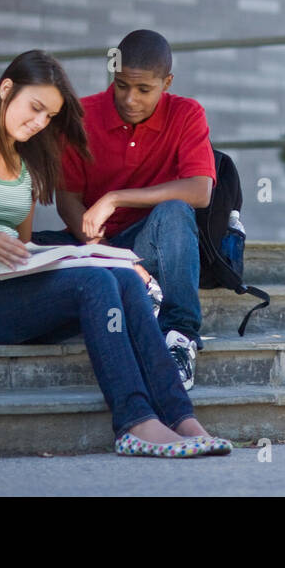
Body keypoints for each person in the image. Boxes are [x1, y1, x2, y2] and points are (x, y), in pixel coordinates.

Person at [0, 49, 231, 458]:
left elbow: (25, 249)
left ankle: (180, 416)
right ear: (6, 89)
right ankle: (135, 422)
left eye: (48, 116)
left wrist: (100, 257)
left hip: (7, 290)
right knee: (96, 282)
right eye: (34, 108)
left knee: (117, 276)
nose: (39, 123)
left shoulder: (24, 161)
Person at [34, 30, 214, 391]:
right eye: (120, 85)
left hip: (152, 244)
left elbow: (200, 190)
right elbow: (67, 197)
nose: (130, 99)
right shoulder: (82, 116)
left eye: (144, 90)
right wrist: (92, 240)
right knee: (33, 248)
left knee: (176, 211)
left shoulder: (187, 113)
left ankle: (180, 335)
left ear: (167, 83)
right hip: (95, 246)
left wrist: (115, 198)